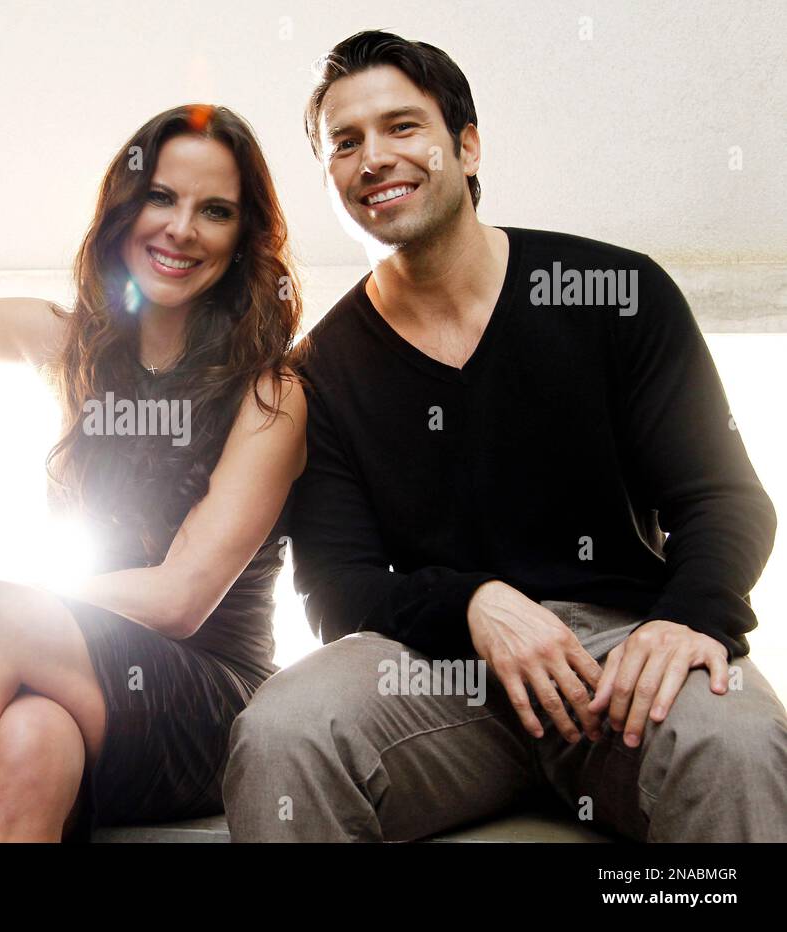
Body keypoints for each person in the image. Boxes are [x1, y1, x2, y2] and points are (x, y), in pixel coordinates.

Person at [224, 30, 787, 842]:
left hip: (624, 653)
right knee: (283, 730)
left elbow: (726, 501)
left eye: (403, 126)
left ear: (468, 145)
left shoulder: (617, 293)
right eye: (346, 143)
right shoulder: (320, 371)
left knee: (737, 741)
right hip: (439, 671)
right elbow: (335, 586)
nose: (374, 157)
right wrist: (475, 603)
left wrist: (688, 619)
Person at [0, 103, 306, 841]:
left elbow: (180, 599)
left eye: (214, 210)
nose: (181, 229)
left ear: (243, 238)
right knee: (33, 739)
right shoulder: (70, 346)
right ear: (125, 210)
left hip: (209, 706)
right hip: (91, 700)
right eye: (161, 197)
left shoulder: (270, 395)